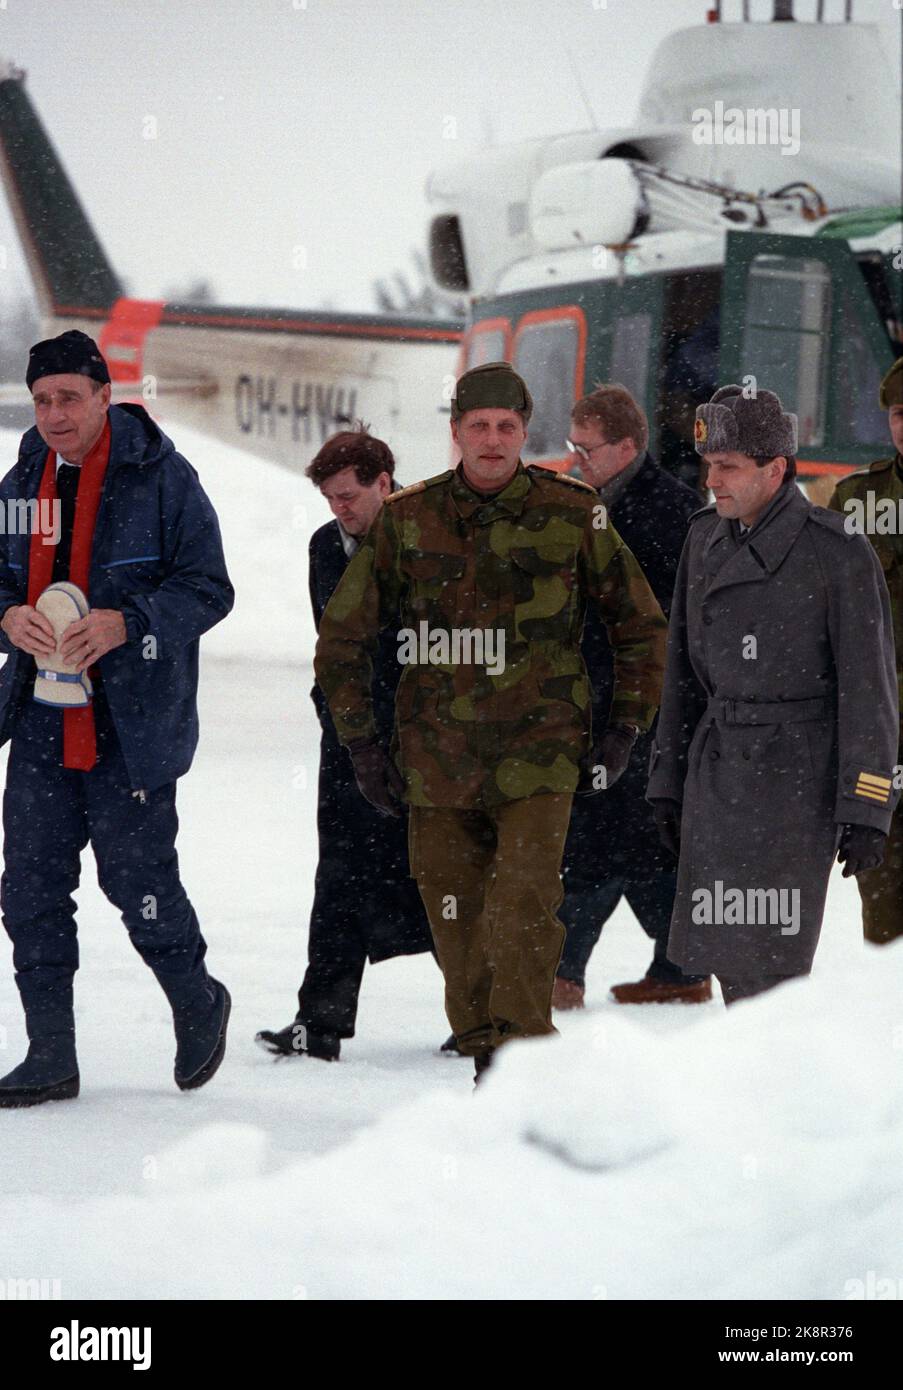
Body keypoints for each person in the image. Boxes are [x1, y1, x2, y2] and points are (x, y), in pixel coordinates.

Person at [313, 362, 667, 1082]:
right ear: (455, 434)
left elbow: (640, 625)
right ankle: (482, 1047)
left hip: (539, 757)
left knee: (525, 905)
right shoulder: (409, 520)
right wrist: (361, 747)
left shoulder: (573, 513)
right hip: (435, 763)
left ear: (524, 433)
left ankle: (520, 1062)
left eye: (507, 427)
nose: (493, 439)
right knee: (455, 916)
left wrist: (625, 728)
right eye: (479, 426)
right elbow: (342, 641)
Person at [0, 330, 234, 1107]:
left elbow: (209, 589)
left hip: (128, 726)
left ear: (106, 396)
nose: (54, 414)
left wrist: (127, 622)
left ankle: (198, 1001)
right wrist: (8, 617)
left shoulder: (164, 479)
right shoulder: (23, 478)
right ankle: (50, 1055)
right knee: (29, 888)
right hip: (38, 720)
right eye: (41, 401)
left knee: (137, 882)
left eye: (69, 397)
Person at [647, 383, 898, 1007]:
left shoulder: (836, 550)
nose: (713, 481)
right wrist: (667, 779)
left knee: (774, 962)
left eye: (728, 467)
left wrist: (868, 804)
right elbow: (681, 673)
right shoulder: (703, 539)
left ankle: (779, 1090)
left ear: (776, 469)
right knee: (727, 954)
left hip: (796, 777)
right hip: (717, 767)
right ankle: (751, 1087)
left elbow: (870, 688)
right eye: (709, 466)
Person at [255, 426, 438, 1064]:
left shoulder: (428, 538)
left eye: (350, 496)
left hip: (423, 741)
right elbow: (334, 646)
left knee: (443, 873)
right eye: (331, 498)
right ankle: (320, 1022)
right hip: (349, 738)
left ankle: (489, 1014)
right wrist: (350, 732)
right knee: (339, 877)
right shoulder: (323, 548)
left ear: (384, 483)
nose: (341, 508)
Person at [555, 384, 710, 1008]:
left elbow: (668, 617)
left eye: (585, 449)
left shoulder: (671, 509)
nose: (574, 459)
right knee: (639, 840)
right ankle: (680, 969)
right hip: (594, 696)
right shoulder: (585, 501)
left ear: (626, 447)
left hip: (643, 701)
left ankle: (564, 974)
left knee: (601, 832)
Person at [827, 355, 903, 945]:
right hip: (881, 736)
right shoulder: (856, 499)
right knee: (884, 907)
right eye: (901, 414)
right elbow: (815, 606)